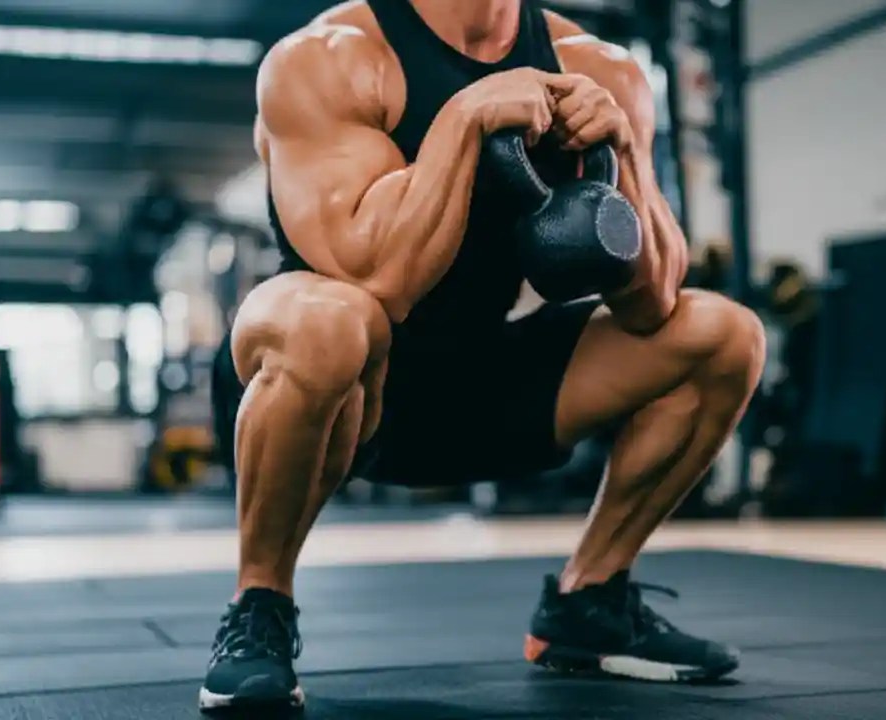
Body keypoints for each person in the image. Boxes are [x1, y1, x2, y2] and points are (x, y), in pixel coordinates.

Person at [203, 0, 765, 712]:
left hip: (478, 382)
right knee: (329, 320)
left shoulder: (600, 67)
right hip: (334, 393)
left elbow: (652, 303)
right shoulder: (328, 59)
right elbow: (375, 280)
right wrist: (464, 120)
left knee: (722, 335)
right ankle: (259, 608)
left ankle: (588, 605)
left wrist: (619, 148)